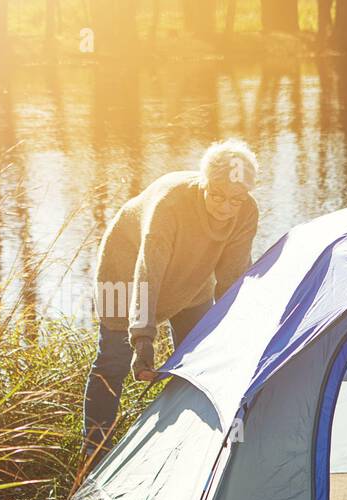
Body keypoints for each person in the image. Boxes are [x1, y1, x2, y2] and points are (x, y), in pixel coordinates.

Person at [82, 139, 260, 459]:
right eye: (217, 195)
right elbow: (148, 270)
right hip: (122, 272)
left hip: (191, 279)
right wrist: (142, 338)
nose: (225, 207)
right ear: (204, 183)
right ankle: (93, 454)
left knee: (199, 359)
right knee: (112, 362)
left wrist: (237, 334)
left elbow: (232, 279)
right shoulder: (171, 204)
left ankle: (183, 448)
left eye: (236, 199)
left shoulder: (245, 212)